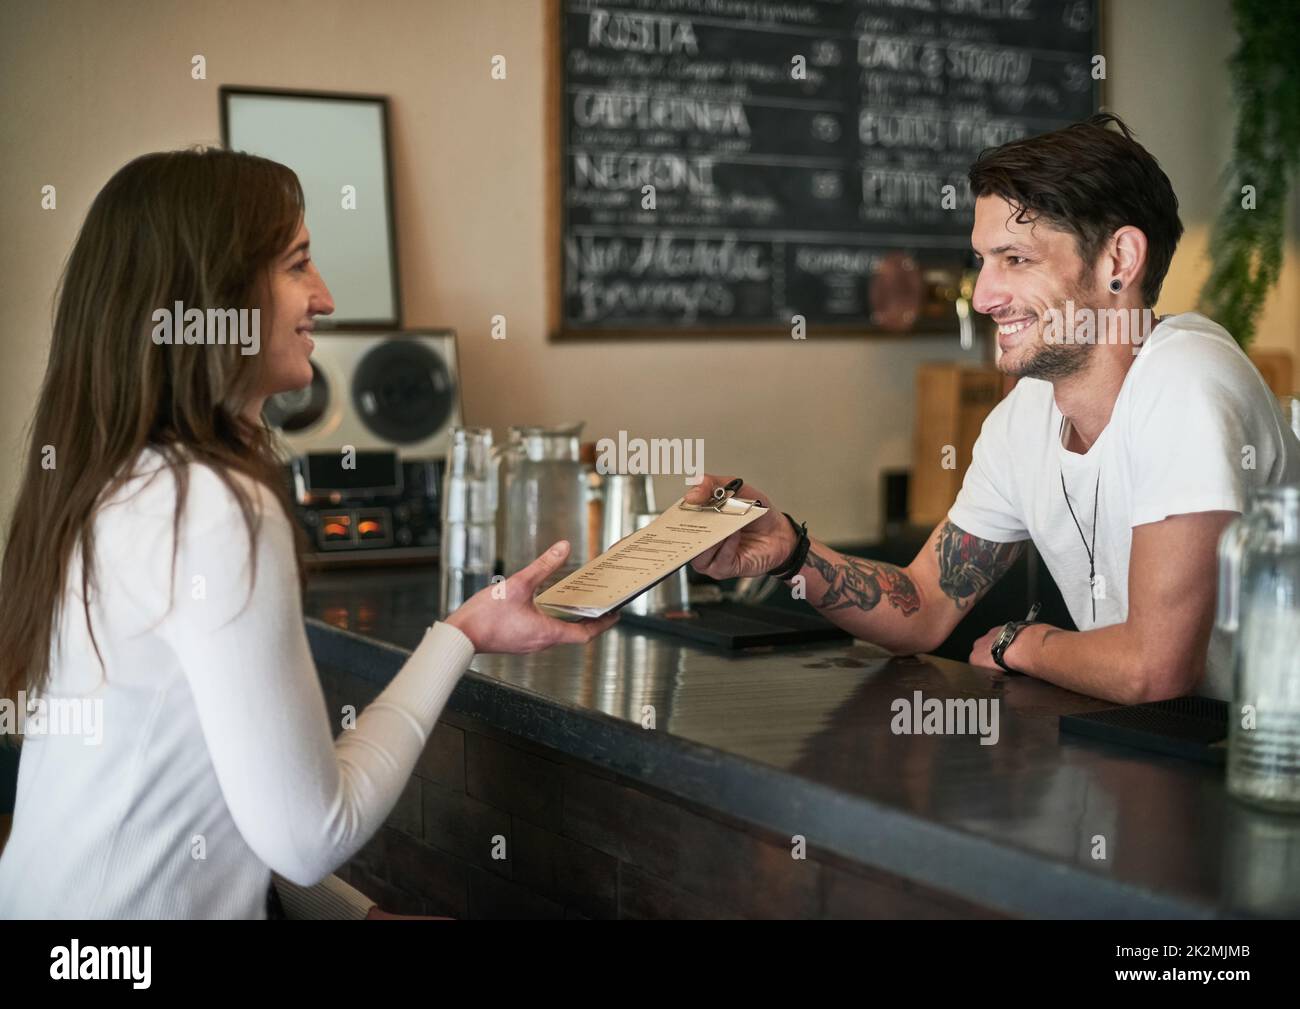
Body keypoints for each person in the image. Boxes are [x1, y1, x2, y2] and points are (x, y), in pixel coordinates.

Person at [0, 148, 616, 918]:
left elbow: (204, 811)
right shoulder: (215, 506)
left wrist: (353, 915)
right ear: (212, 296)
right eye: (298, 265)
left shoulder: (114, 476)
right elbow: (312, 833)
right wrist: (456, 638)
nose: (324, 297)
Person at [687, 114, 1300, 706]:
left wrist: (1023, 643)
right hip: (1176, 754)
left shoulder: (1186, 377)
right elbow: (926, 605)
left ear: (1119, 261)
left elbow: (1154, 669)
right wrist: (792, 551)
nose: (984, 296)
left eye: (1017, 259)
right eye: (983, 261)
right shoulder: (1026, 415)